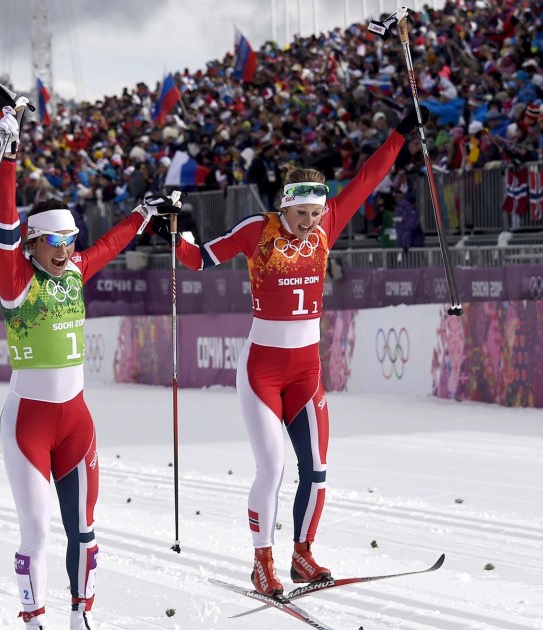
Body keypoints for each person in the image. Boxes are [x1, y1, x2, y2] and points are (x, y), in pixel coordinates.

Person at [156, 105, 425, 597]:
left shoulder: (327, 226)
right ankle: (262, 563)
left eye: (316, 214)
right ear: (284, 206)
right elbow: (197, 260)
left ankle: (303, 553)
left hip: (306, 373)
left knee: (317, 471)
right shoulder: (256, 230)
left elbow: (368, 178)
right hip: (262, 374)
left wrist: (400, 135)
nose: (309, 223)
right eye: (301, 213)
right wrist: (175, 234)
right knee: (272, 469)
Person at [0, 104, 178, 630]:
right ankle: (32, 622)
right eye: (55, 243)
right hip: (27, 423)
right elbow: (4, 226)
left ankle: (81, 619)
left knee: (84, 529)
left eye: (69, 241)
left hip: (75, 421)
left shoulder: (73, 269)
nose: (66, 251)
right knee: (37, 532)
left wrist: (144, 213)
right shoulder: (16, 280)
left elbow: (110, 244)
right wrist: (8, 155)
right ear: (33, 244)